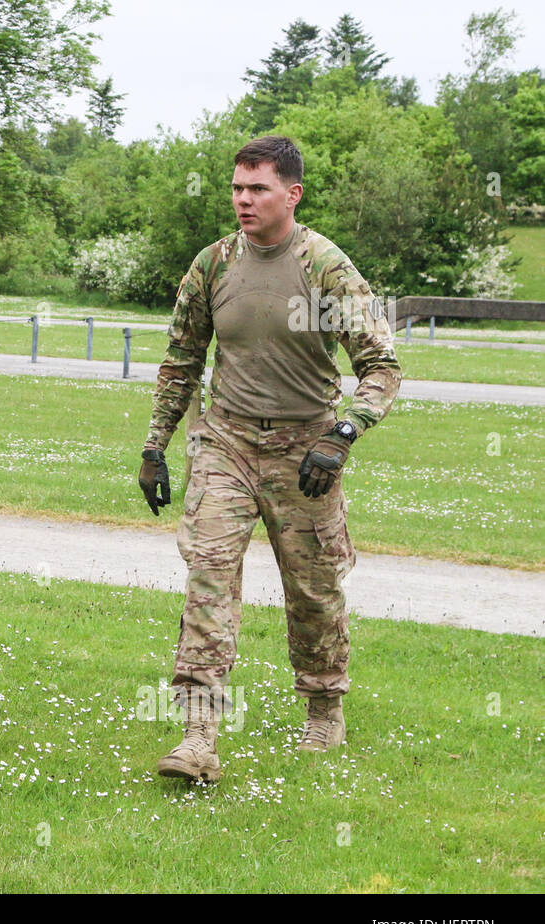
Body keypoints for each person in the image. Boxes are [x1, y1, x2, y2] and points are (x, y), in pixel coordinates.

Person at [139, 135, 401, 782]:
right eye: (236, 187)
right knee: (209, 575)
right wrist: (155, 445)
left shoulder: (322, 268)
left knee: (312, 587)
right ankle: (199, 735)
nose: (243, 200)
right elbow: (181, 361)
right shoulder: (213, 264)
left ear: (293, 193)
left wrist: (342, 433)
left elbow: (380, 365)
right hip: (226, 442)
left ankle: (323, 703)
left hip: (305, 448)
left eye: (257, 188)